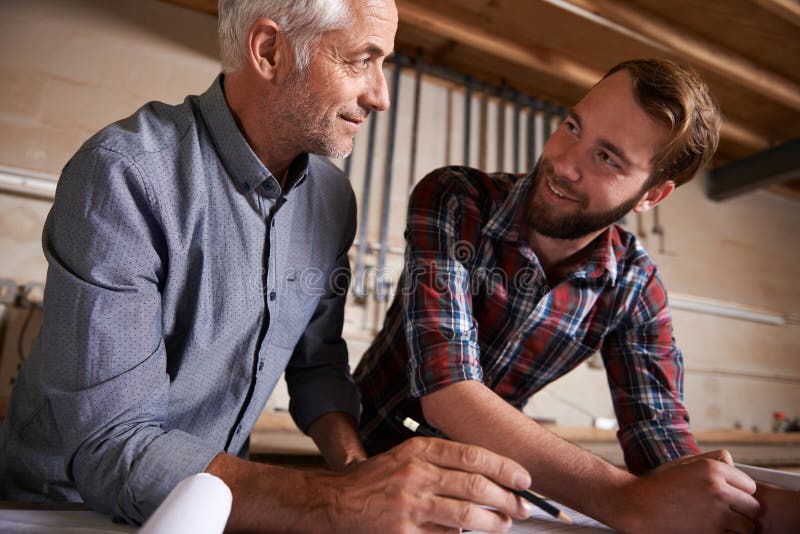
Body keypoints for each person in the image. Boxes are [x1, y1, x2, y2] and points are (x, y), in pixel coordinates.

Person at [0, 1, 535, 532]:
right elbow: (112, 446)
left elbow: (317, 364)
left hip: (216, 510)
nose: (381, 95)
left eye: (384, 62)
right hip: (61, 511)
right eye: (360, 59)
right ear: (270, 51)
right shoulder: (125, 177)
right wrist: (343, 500)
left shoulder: (332, 201)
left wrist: (358, 470)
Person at [356, 58, 798, 533]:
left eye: (607, 158)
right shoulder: (457, 197)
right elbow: (449, 392)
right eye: (573, 127)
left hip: (477, 473)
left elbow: (661, 445)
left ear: (652, 195)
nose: (564, 163)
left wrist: (738, 504)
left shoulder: (634, 287)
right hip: (358, 449)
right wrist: (628, 501)